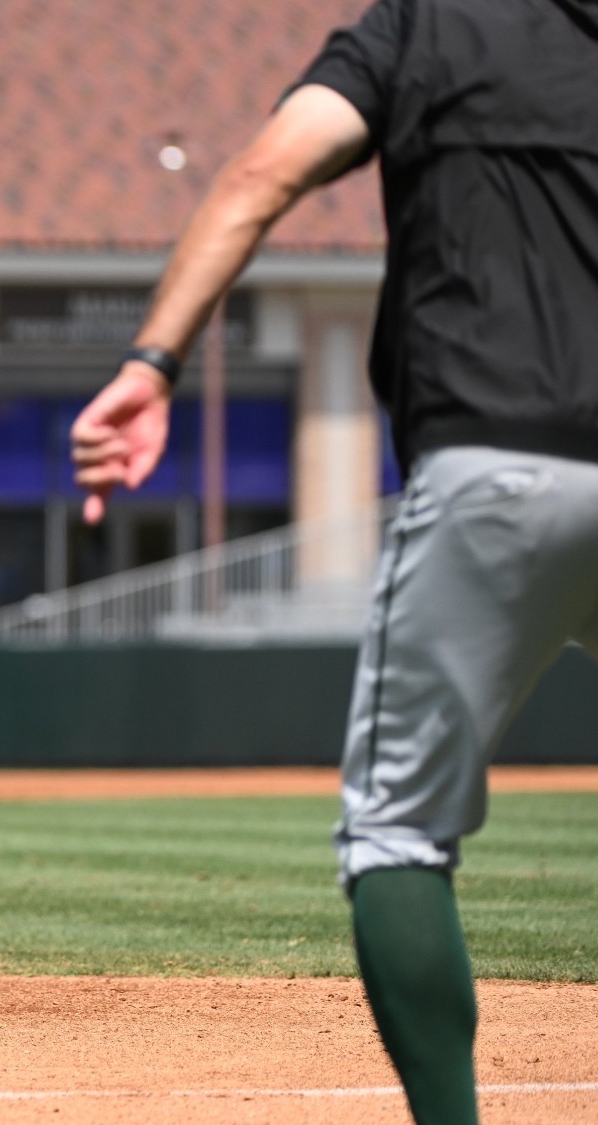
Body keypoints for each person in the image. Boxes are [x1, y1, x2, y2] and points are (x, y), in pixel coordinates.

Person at [68, 3, 598, 1121]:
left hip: (492, 463)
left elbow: (263, 173)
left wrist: (152, 363)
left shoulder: (423, 24)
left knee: (396, 832)